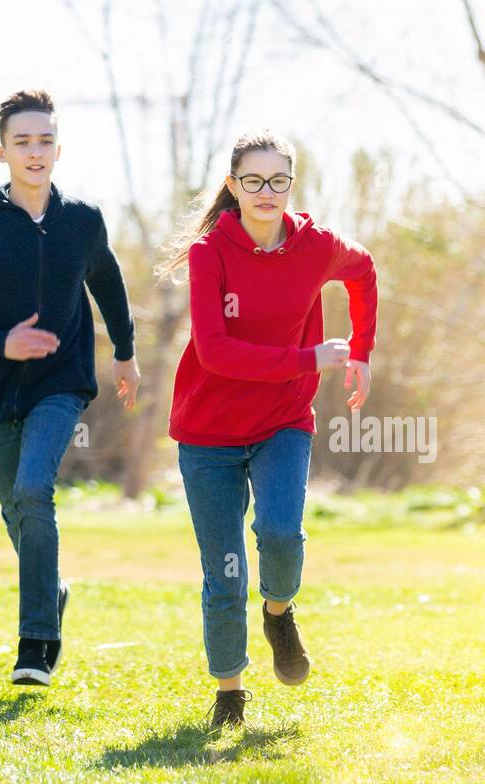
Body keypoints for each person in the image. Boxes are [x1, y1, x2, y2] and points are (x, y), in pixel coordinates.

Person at [0, 89, 140, 686]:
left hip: (61, 385)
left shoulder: (82, 222)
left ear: (58, 149)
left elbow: (108, 284)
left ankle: (35, 643)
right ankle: (53, 588)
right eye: (23, 142)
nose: (35, 152)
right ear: (2, 152)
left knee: (34, 488)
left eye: (44, 140)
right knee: (16, 509)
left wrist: (125, 353)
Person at [157, 130, 378, 729]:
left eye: (278, 180)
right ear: (232, 186)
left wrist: (360, 350)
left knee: (281, 533)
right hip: (207, 434)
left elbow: (364, 271)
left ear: (291, 184)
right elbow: (217, 351)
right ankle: (230, 694)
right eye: (252, 181)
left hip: (283, 420)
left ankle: (279, 612)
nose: (265, 192)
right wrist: (311, 359)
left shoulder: (316, 246)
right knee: (224, 568)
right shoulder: (211, 253)